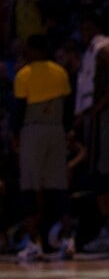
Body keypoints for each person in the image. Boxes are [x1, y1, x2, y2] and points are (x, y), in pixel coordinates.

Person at [11, 33, 73, 261]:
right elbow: (68, 107)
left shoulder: (24, 74)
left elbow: (19, 110)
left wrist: (15, 135)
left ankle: (33, 243)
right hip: (56, 130)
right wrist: (66, 130)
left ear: (32, 50)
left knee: (29, 187)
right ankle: (68, 240)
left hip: (33, 130)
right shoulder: (60, 72)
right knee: (58, 187)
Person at [74, 12, 109, 254]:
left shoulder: (102, 47)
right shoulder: (91, 51)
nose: (84, 33)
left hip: (106, 115)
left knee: (106, 171)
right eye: (82, 29)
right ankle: (108, 227)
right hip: (96, 116)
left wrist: (103, 102)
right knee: (98, 172)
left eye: (89, 28)